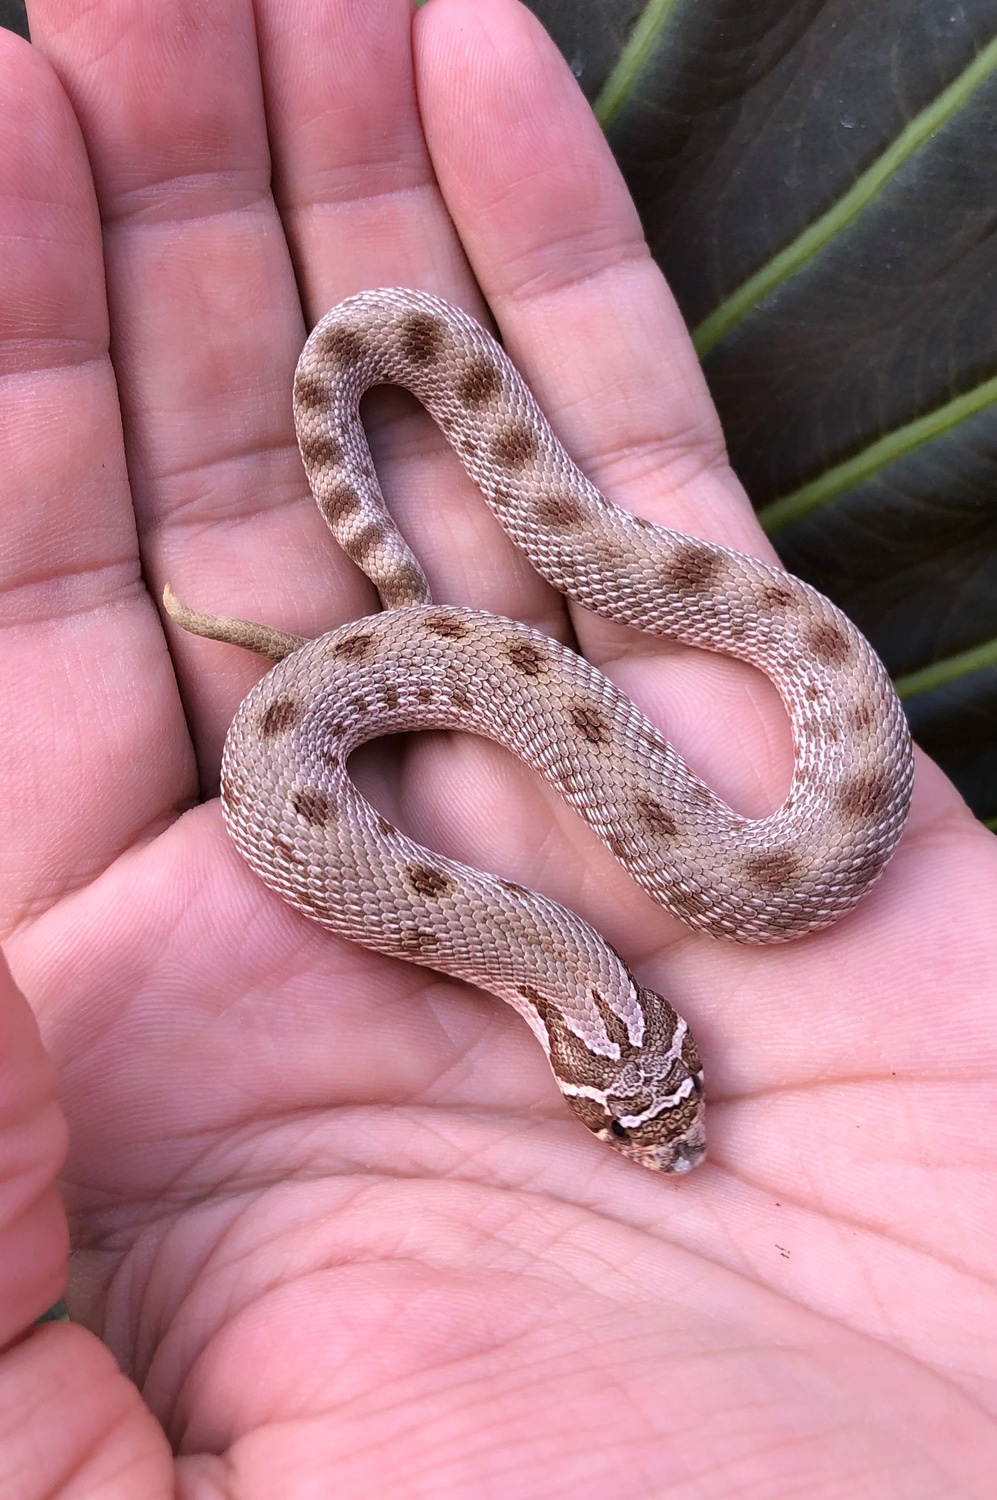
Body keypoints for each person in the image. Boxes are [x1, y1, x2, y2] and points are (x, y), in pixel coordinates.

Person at [2, 0, 995, 1493]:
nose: (666, 1134)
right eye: (657, 1101)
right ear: (617, 1035)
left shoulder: (550, 931)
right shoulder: (525, 925)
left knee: (537, 668)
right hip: (398, 676)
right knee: (410, 681)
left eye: (641, 1110)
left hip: (431, 688)